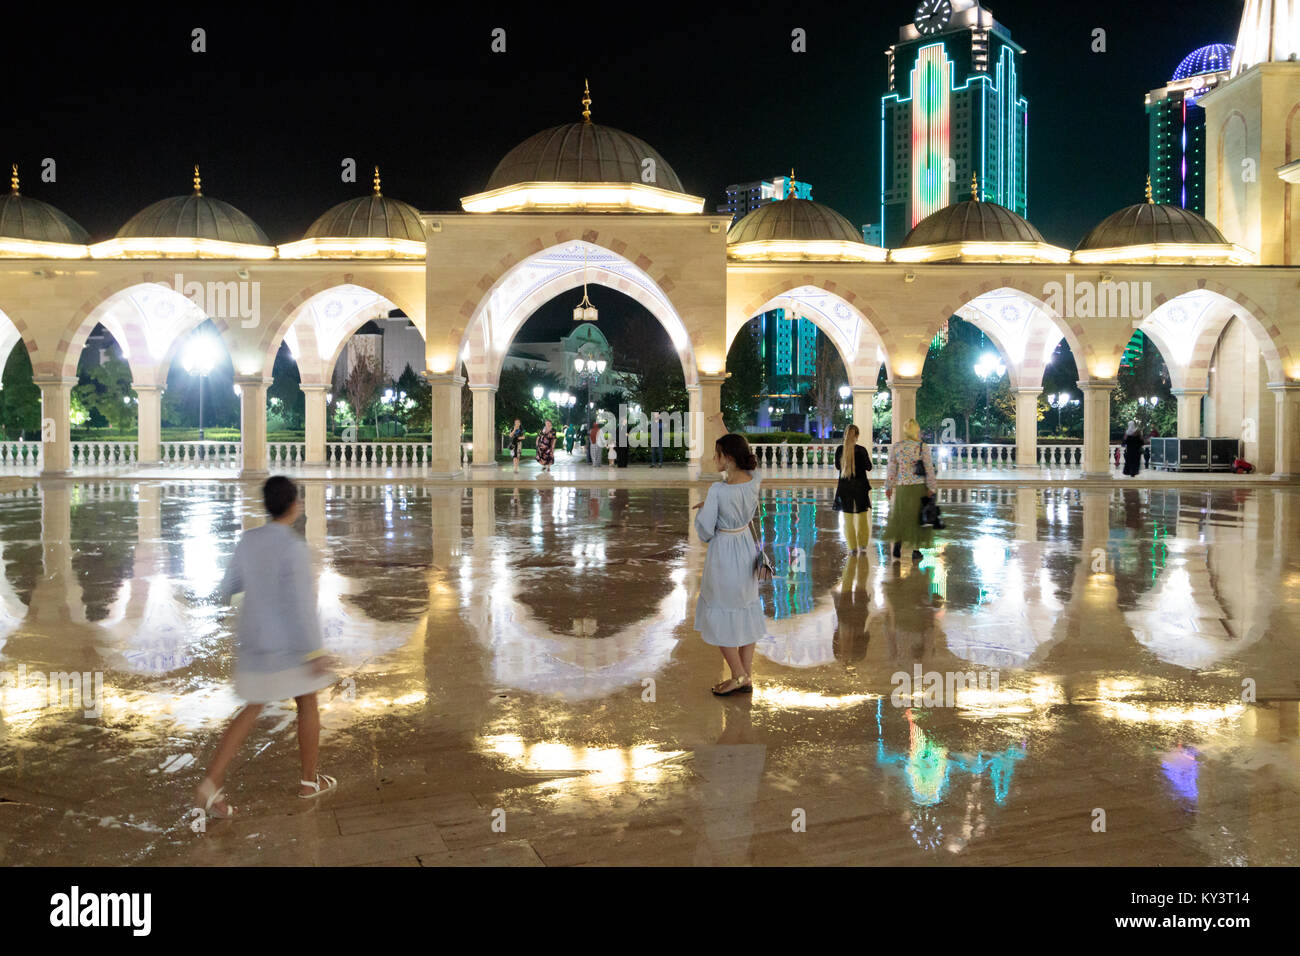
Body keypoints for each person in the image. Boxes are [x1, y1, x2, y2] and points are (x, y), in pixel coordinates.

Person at [194, 477, 336, 818]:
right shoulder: (294, 548)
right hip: (289, 647)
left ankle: (211, 783)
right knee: (308, 703)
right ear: (294, 506)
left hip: (255, 643)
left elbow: (227, 586)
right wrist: (316, 652)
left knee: (251, 708)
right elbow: (302, 604)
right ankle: (308, 781)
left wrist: (205, 603)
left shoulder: (249, 541)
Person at [691, 434, 765, 696]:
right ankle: (746, 675)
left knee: (721, 611)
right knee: (745, 609)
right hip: (746, 546)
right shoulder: (755, 480)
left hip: (724, 552)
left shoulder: (718, 490)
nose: (714, 458)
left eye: (718, 453)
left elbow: (706, 531)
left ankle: (738, 675)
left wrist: (705, 509)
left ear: (729, 457)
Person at [883, 418, 937, 562]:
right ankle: (915, 550)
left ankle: (897, 545)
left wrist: (888, 486)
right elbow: (929, 468)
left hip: (902, 487)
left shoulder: (897, 447)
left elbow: (891, 469)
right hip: (918, 487)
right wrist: (931, 487)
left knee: (901, 516)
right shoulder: (922, 447)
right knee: (917, 518)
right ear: (916, 430)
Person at [833, 424, 872, 553]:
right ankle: (863, 545)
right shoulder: (861, 450)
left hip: (845, 488)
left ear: (845, 434)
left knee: (848, 519)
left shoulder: (840, 450)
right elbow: (869, 467)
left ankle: (852, 547)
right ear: (857, 436)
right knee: (862, 517)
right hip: (860, 487)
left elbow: (838, 467)